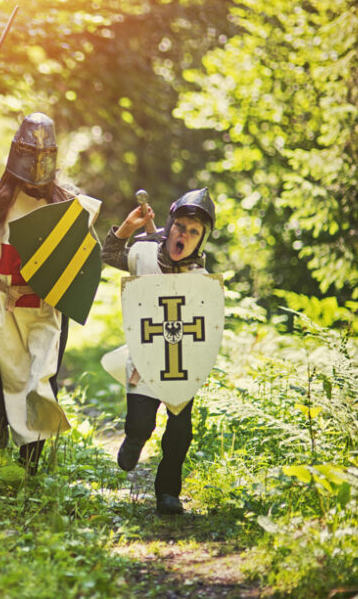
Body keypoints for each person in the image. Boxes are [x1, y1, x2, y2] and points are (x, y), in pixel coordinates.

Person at [0, 113, 101, 474]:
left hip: (47, 310)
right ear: (18, 155)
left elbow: (85, 261)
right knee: (2, 391)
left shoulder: (68, 204)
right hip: (5, 307)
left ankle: (30, 471)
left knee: (41, 387)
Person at [101, 188, 216, 515]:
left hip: (180, 362)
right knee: (141, 423)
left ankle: (168, 492)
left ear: (201, 240)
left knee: (180, 431)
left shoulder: (200, 278)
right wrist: (126, 228)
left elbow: (204, 328)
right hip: (145, 354)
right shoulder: (144, 255)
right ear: (170, 226)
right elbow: (109, 255)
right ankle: (135, 439)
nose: (185, 235)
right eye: (180, 227)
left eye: (194, 232)